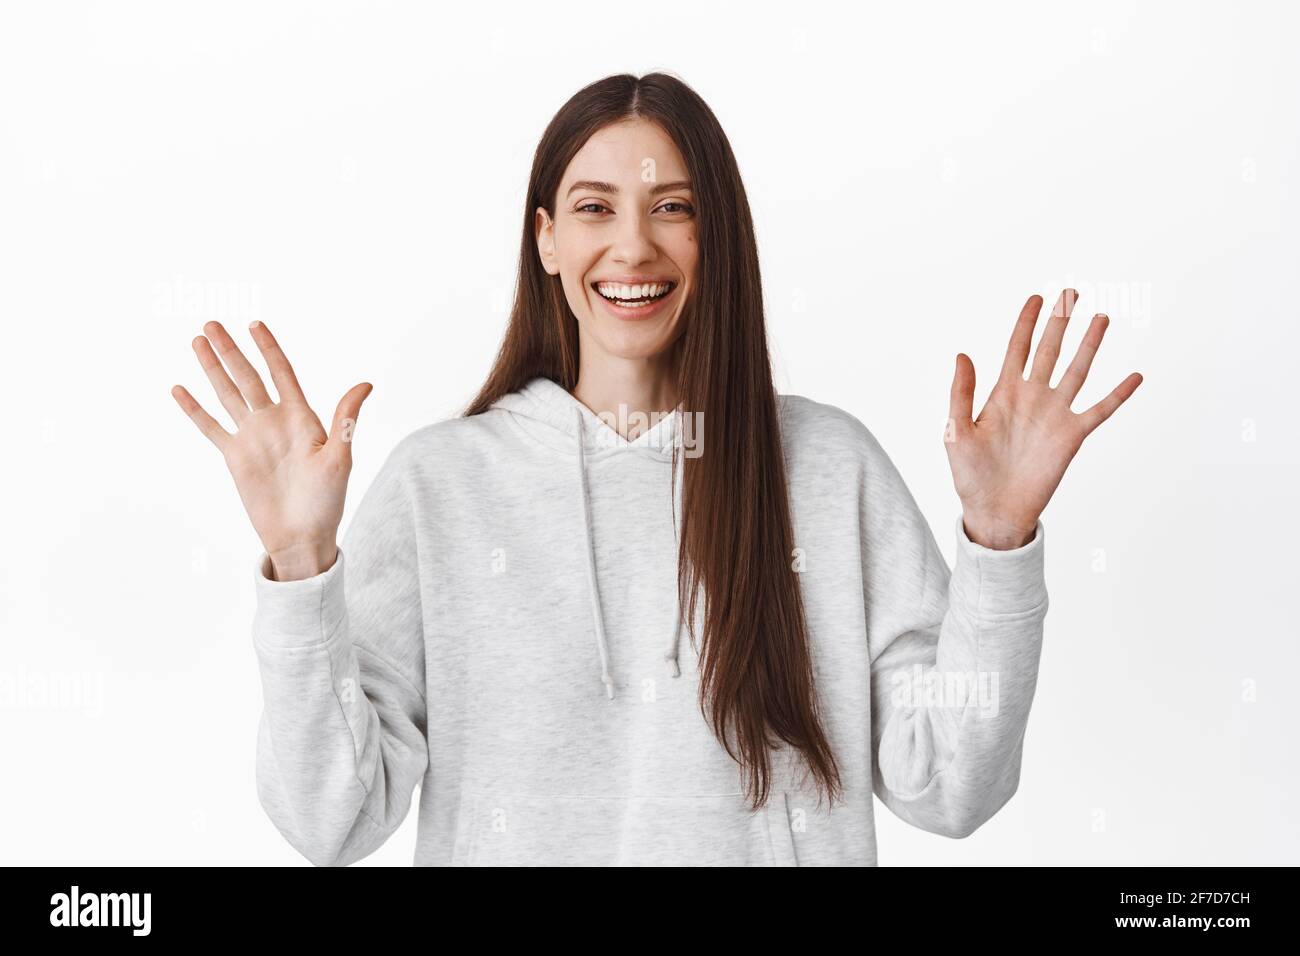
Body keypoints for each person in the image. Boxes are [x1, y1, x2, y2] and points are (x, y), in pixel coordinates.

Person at [170, 72, 1142, 866]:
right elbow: (329, 817)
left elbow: (953, 784)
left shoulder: (826, 467)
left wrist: (1000, 546)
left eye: (671, 208)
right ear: (546, 237)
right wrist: (300, 566)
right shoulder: (439, 487)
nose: (631, 244)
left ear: (713, 235)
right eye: (595, 208)